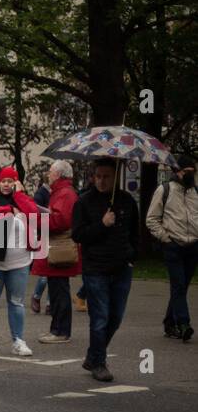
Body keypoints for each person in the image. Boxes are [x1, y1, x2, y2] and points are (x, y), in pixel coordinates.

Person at [73, 158, 139, 381]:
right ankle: (99, 363)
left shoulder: (127, 201)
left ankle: (93, 356)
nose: (101, 180)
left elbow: (135, 232)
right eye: (98, 176)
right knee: (100, 317)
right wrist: (102, 224)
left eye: (106, 176)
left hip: (121, 267)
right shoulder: (84, 202)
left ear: (115, 177)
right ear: (93, 176)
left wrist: (131, 256)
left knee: (115, 317)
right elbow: (78, 234)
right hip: (96, 268)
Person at [0, 166, 42, 356]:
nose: (6, 184)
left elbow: (34, 214)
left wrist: (19, 197)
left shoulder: (23, 200)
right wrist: (8, 209)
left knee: (17, 302)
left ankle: (18, 341)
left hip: (19, 262)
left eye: (10, 181)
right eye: (3, 181)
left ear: (16, 183)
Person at [146, 153, 198, 342]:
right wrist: (165, 238)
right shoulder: (165, 190)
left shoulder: (195, 192)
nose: (192, 175)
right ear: (178, 172)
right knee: (178, 285)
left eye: (194, 171)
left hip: (193, 246)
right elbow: (151, 219)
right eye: (188, 172)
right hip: (173, 246)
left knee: (182, 287)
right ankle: (184, 324)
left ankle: (169, 322)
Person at [33, 160, 80, 344]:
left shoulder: (65, 194)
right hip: (57, 248)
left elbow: (60, 221)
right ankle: (57, 329)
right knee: (57, 290)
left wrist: (38, 218)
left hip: (59, 249)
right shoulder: (62, 192)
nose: (48, 174)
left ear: (59, 174)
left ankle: (61, 331)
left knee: (59, 290)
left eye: (51, 172)